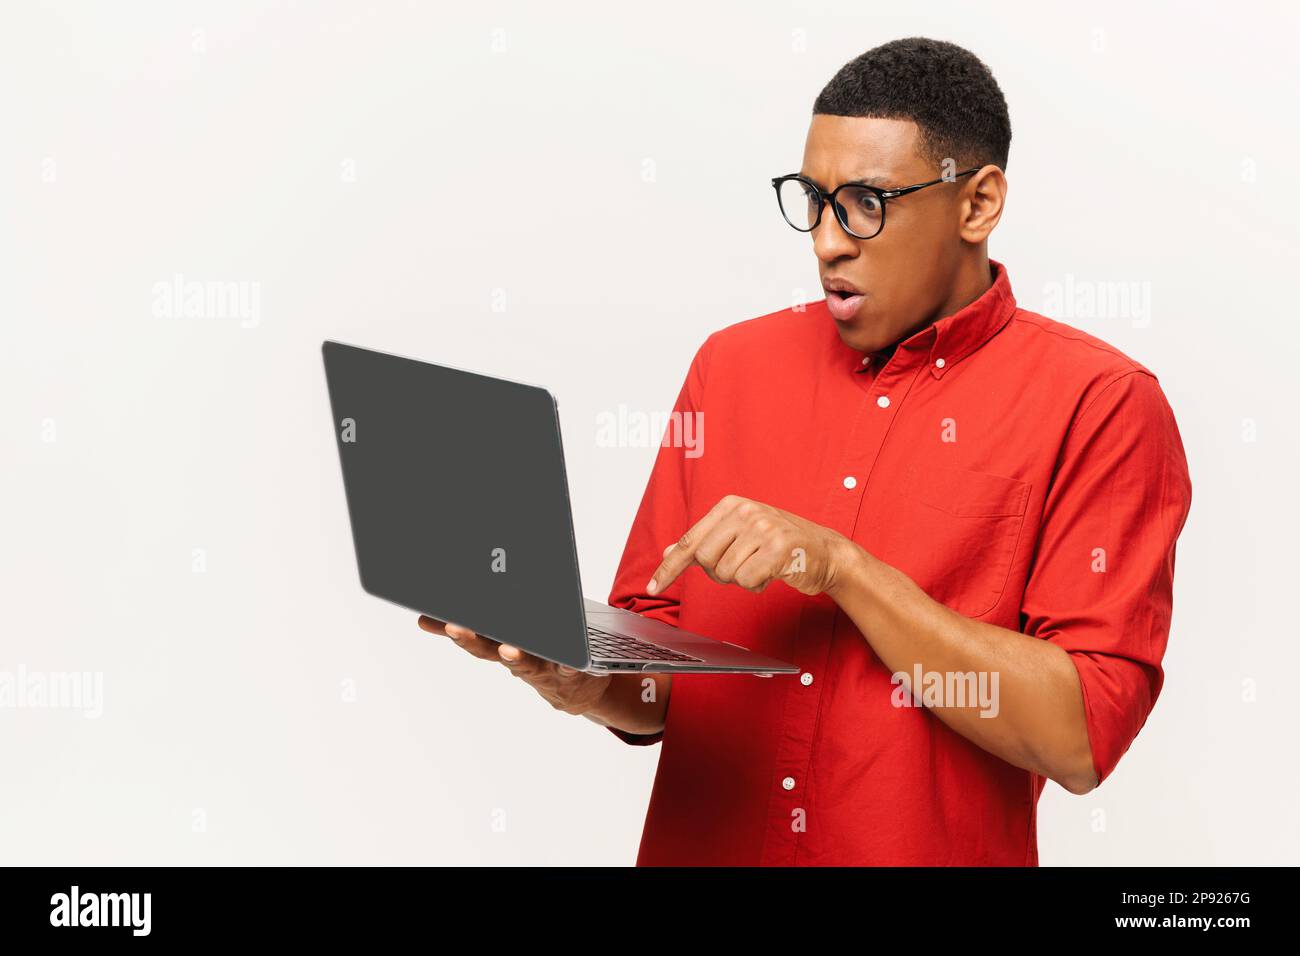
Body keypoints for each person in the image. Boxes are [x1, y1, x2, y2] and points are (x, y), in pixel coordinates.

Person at [418, 37, 1192, 866]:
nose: (826, 241)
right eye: (812, 199)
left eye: (865, 202)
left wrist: (847, 572)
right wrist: (589, 686)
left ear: (978, 203)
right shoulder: (731, 367)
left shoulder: (1100, 403)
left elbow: (1081, 736)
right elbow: (661, 669)